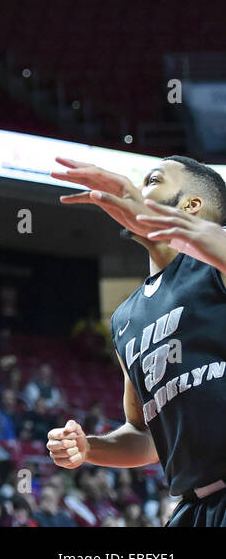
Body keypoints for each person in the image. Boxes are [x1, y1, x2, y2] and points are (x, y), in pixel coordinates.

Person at [48, 155, 226, 527]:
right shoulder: (126, 318)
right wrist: (89, 448)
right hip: (194, 509)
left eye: (153, 181)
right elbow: (144, 435)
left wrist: (160, 224)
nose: (137, 192)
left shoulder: (215, 267)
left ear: (193, 206)